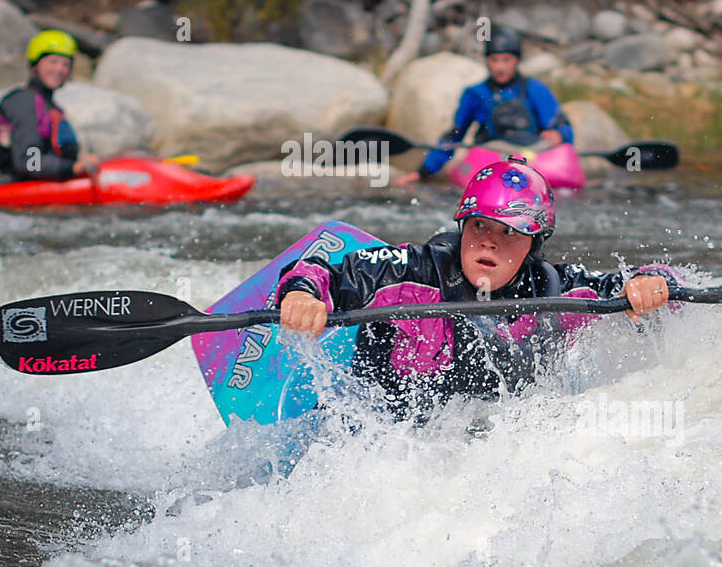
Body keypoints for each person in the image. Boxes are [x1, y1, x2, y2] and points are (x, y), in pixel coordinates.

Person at [277, 156, 677, 417]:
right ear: (462, 226)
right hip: (385, 441)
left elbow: (652, 285)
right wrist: (300, 294)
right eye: (479, 225)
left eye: (509, 232)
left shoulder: (556, 290)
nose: (489, 241)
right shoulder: (414, 272)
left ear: (533, 244)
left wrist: (651, 284)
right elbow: (318, 270)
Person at [392, 24, 574, 187]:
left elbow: (562, 127)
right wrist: (424, 171)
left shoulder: (536, 89)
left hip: (530, 153)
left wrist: (559, 134)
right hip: (493, 151)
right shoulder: (475, 93)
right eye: (495, 60)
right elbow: (454, 135)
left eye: (506, 60)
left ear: (516, 60)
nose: (500, 67)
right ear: (487, 61)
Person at [0, 29, 100, 181]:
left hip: (44, 183)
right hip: (18, 188)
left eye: (65, 64)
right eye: (53, 62)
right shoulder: (25, 102)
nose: (59, 69)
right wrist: (72, 168)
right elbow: (29, 162)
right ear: (35, 65)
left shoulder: (51, 106)